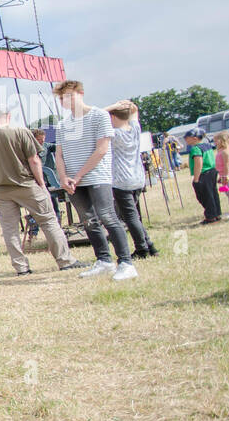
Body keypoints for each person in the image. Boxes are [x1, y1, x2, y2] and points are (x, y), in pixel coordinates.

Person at [0, 108, 81, 275]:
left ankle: (21, 268)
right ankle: (65, 260)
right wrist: (41, 183)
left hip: (2, 190)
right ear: (8, 117)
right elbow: (34, 160)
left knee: (10, 229)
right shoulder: (21, 131)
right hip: (26, 184)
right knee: (48, 221)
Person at [53, 79, 137, 280]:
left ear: (80, 94)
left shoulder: (99, 116)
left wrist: (79, 174)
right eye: (63, 98)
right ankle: (104, 260)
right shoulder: (63, 125)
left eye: (70, 96)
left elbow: (101, 149)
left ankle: (125, 262)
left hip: (97, 175)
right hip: (73, 180)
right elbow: (59, 154)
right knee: (89, 221)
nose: (67, 101)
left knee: (108, 216)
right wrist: (63, 177)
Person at [106, 100, 158, 258]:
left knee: (130, 217)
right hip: (137, 178)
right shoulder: (135, 129)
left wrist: (113, 105)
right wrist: (128, 105)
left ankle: (142, 249)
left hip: (122, 180)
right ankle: (149, 245)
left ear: (113, 117)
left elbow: (97, 116)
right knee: (133, 215)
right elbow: (135, 111)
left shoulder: (114, 134)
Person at [183, 129, 223, 224]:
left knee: (205, 195)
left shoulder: (195, 149)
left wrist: (196, 179)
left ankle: (210, 217)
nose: (185, 140)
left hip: (204, 173)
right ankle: (217, 214)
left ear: (194, 138)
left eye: (187, 138)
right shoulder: (207, 146)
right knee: (213, 194)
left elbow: (198, 162)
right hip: (212, 171)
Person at [214, 131, 229, 218]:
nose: (214, 142)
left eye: (216, 140)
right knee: (227, 192)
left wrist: (226, 176)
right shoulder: (221, 150)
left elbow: (226, 164)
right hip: (223, 174)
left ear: (222, 140)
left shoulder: (226, 151)